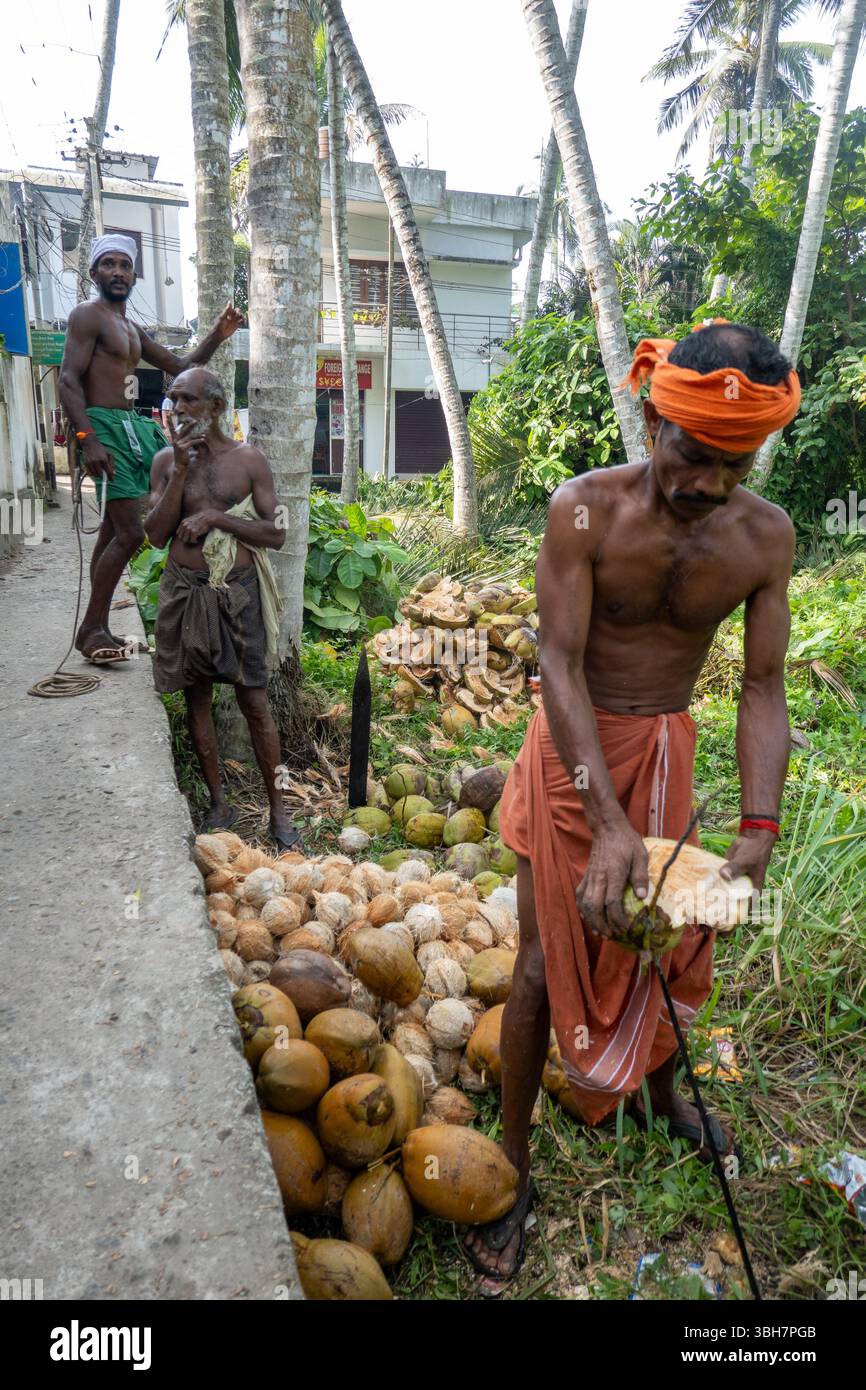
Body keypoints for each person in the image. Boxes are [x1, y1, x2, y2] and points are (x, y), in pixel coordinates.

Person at [464, 320, 802, 1292]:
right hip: (571, 755)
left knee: (667, 944)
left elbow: (763, 689)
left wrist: (755, 832)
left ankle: (659, 1092)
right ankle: (510, 1170)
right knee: (538, 964)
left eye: (732, 464)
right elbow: (557, 661)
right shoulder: (581, 512)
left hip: (663, 750)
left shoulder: (763, 537)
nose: (705, 483)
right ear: (651, 414)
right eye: (690, 454)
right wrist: (605, 820)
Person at [58, 232, 243, 664]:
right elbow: (68, 380)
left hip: (129, 428)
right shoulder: (88, 315)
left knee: (111, 533)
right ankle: (89, 630)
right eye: (109, 264)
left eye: (125, 265)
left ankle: (99, 626)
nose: (118, 272)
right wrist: (88, 438)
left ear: (134, 274)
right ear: (94, 272)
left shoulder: (129, 327)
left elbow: (180, 366)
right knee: (131, 533)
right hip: (104, 426)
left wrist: (217, 333)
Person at [145, 367, 300, 851]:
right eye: (173, 399)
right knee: (197, 699)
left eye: (188, 399)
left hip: (237, 591)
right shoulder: (164, 462)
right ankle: (218, 802)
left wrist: (217, 518)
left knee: (255, 701)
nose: (178, 408)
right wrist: (182, 473)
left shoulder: (248, 460)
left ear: (215, 407)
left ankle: (279, 809)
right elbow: (154, 534)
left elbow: (276, 532)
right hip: (185, 590)